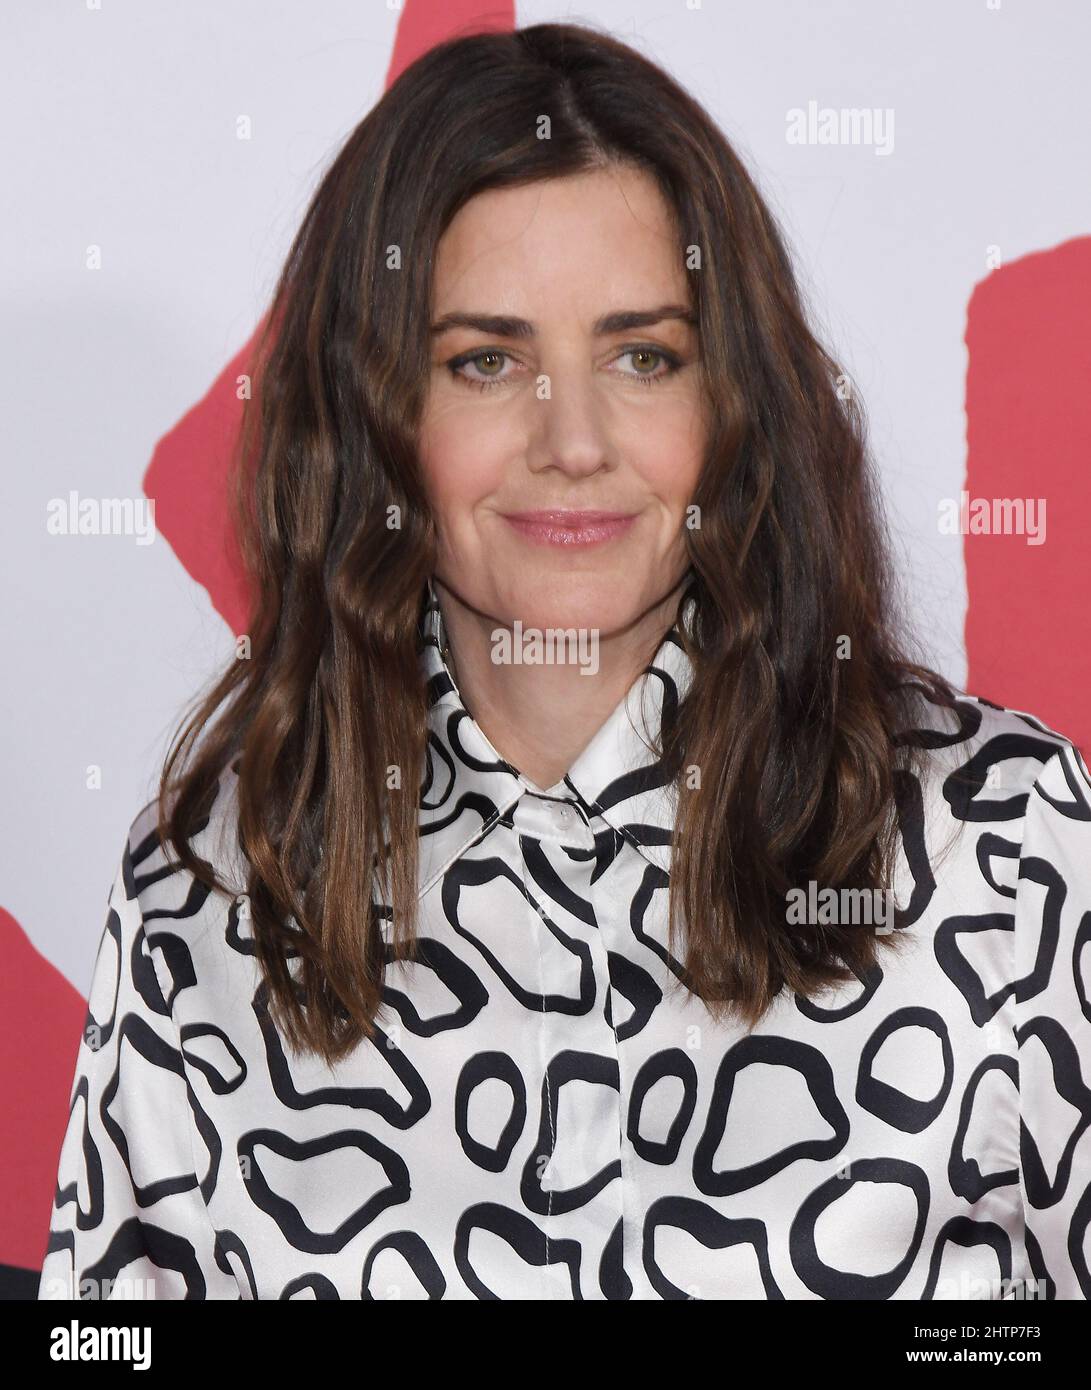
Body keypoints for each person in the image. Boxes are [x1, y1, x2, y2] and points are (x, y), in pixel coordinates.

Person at [39, 21, 1091, 1301]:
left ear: (734, 402)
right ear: (373, 417)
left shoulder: (1001, 843)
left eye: (641, 356)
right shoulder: (214, 883)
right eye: (486, 361)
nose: (573, 440)